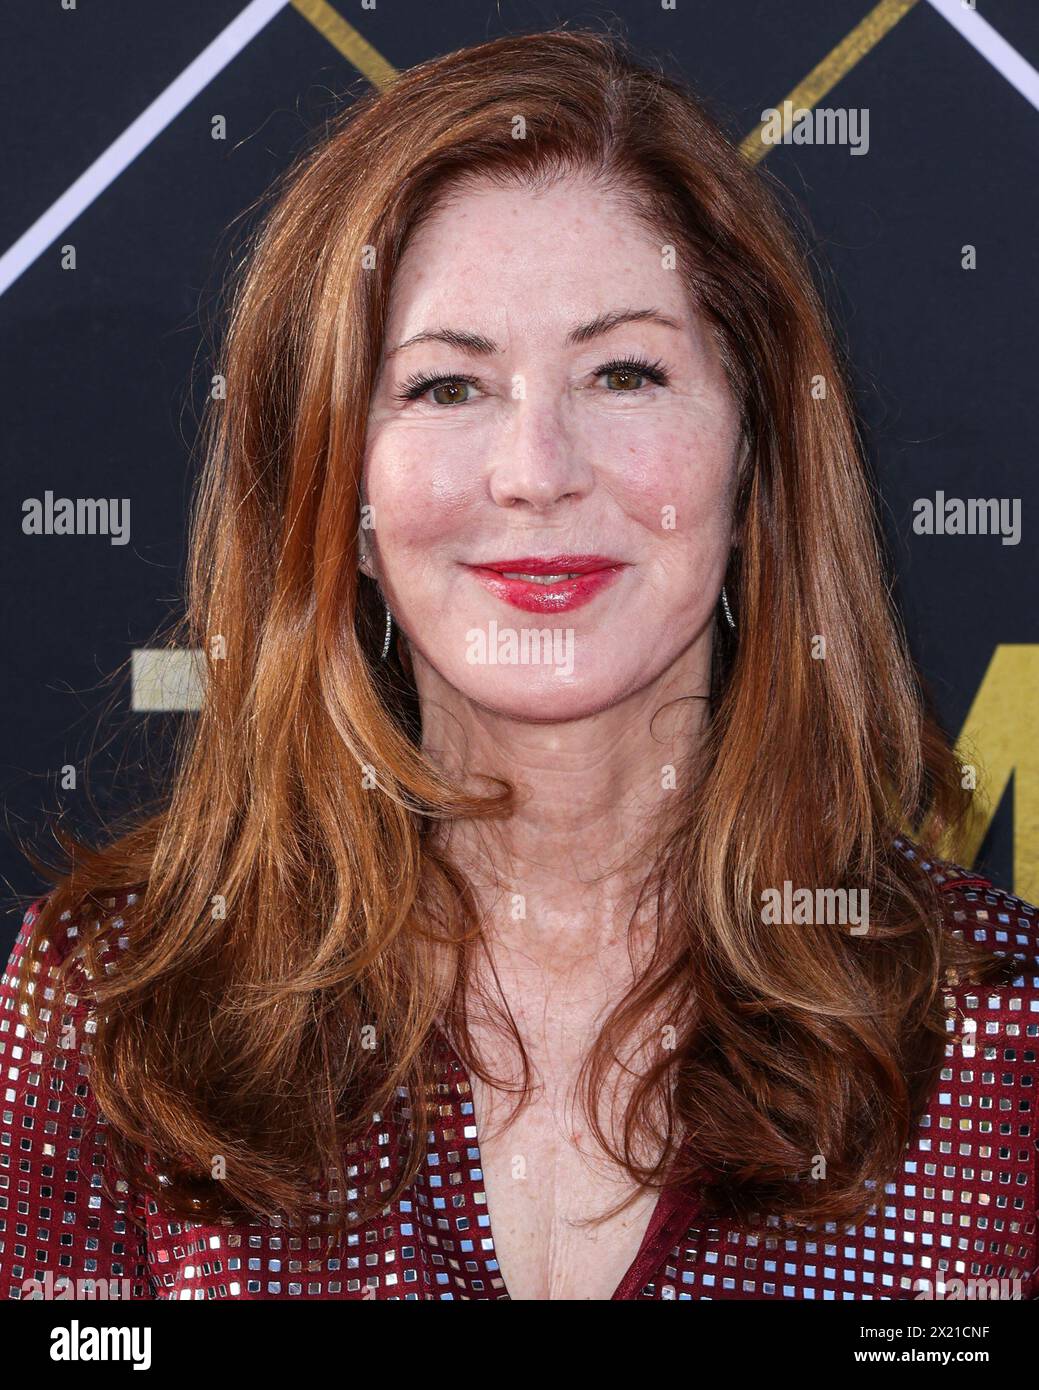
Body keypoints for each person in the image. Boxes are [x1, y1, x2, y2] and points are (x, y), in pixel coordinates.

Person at [1, 29, 1035, 1302]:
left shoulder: (995, 1034)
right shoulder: (118, 998)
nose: (538, 469)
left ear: (753, 457)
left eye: (624, 372)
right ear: (338, 487)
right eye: (445, 387)